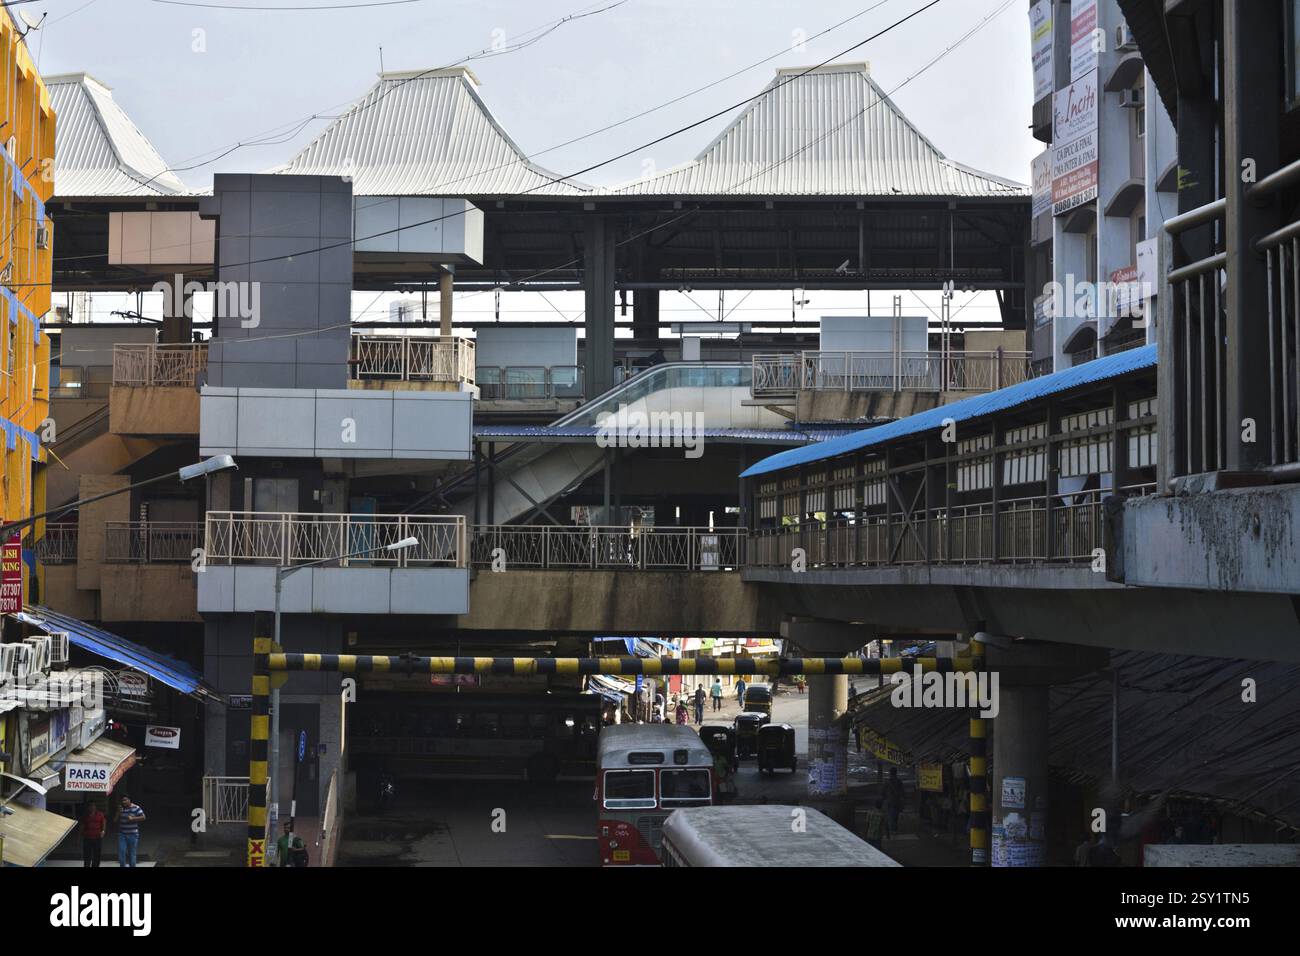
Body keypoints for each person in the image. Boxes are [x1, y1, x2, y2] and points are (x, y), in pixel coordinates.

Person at [115, 795, 146, 868]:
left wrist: (133, 818)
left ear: (129, 800)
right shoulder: (120, 808)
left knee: (132, 853)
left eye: (125, 800)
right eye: (122, 800)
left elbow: (143, 817)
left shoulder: (136, 807)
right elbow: (115, 820)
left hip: (133, 834)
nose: (124, 802)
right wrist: (118, 813)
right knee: (121, 852)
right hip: (122, 834)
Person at [81, 801, 106, 868]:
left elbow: (103, 822)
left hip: (97, 838)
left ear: (95, 807)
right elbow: (82, 826)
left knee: (97, 856)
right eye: (91, 806)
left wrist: (103, 831)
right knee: (87, 856)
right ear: (88, 807)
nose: (92, 807)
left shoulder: (100, 814)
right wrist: (79, 838)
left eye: (93, 806)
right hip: (87, 838)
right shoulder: (85, 815)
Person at [883, 768, 904, 838]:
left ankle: (893, 830)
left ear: (890, 773)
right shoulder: (899, 781)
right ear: (896, 773)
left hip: (890, 801)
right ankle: (894, 830)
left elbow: (883, 792)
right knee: (895, 816)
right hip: (897, 802)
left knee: (891, 816)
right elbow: (902, 792)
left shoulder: (887, 782)